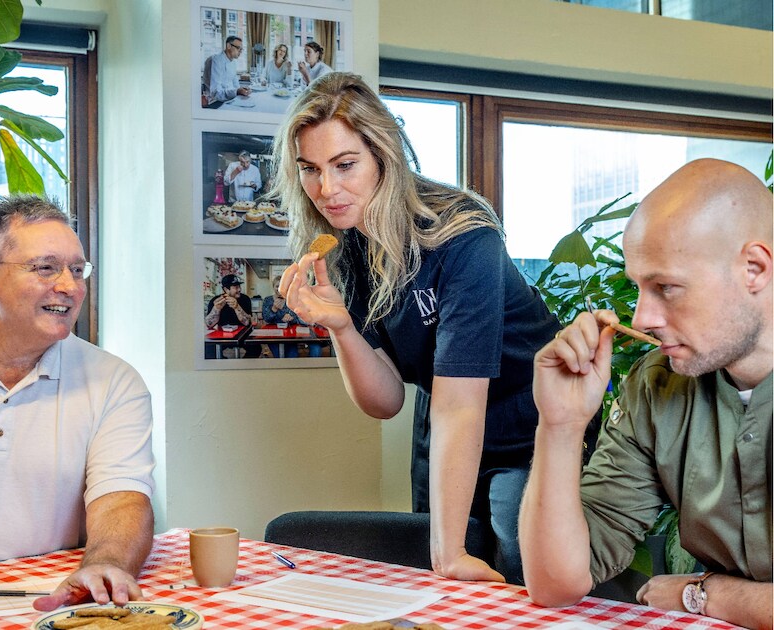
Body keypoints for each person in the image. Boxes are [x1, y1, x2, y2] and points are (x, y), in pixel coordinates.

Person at [273, 72, 564, 585]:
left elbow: (463, 402)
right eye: (310, 170)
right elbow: (385, 401)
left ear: (383, 155)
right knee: (442, 566)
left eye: (345, 165)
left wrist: (449, 553)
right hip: (443, 412)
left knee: (518, 553)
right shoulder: (342, 248)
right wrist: (341, 328)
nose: (327, 189)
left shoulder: (462, 233)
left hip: (527, 415)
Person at [520, 159, 772, 630]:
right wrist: (560, 424)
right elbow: (556, 583)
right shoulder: (656, 384)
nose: (640, 319)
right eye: (639, 287)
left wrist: (705, 594)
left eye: (666, 287)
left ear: (754, 268)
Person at [0, 195, 157, 612]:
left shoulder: (115, 380)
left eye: (77, 270)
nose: (69, 287)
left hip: (54, 594)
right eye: (45, 268)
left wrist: (106, 564)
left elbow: (122, 497)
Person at [205, 273, 260, 359]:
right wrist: (216, 309)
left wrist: (237, 307)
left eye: (239, 286)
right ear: (226, 289)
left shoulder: (245, 299)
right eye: (236, 287)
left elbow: (247, 322)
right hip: (222, 335)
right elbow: (209, 324)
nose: (239, 289)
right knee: (208, 350)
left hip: (243, 334)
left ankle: (243, 365)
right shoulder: (215, 301)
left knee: (256, 348)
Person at [203, 35, 251, 106]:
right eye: (238, 48)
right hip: (215, 102)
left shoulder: (233, 62)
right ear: (228, 46)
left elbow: (236, 85)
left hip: (230, 99)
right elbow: (215, 93)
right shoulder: (216, 60)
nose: (240, 51)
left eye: (241, 49)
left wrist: (242, 90)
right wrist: (236, 91)